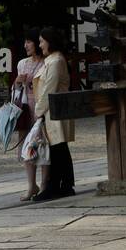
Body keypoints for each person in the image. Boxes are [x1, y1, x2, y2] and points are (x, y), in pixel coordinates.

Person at [31, 27, 76, 203]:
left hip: (55, 111)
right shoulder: (52, 60)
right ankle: (63, 185)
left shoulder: (56, 61)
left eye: (42, 41)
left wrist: (38, 111)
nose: (40, 44)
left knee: (58, 149)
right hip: (53, 111)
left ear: (50, 41)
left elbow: (49, 89)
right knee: (59, 149)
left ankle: (55, 186)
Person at [12, 30, 44, 201]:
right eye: (25, 42)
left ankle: (45, 183)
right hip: (26, 109)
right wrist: (17, 82)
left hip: (41, 106)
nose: (25, 46)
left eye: (28, 42)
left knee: (42, 145)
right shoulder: (22, 64)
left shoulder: (46, 62)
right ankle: (31, 185)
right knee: (26, 146)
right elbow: (16, 91)